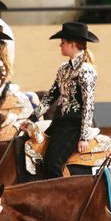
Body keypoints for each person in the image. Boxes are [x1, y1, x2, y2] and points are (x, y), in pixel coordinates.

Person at [27, 21, 98, 180]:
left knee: (53, 164)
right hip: (60, 122)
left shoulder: (86, 70)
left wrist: (83, 136)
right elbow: (50, 96)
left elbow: (88, 104)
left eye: (63, 42)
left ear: (72, 44)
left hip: (74, 126)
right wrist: (32, 117)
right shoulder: (63, 69)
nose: (60, 45)